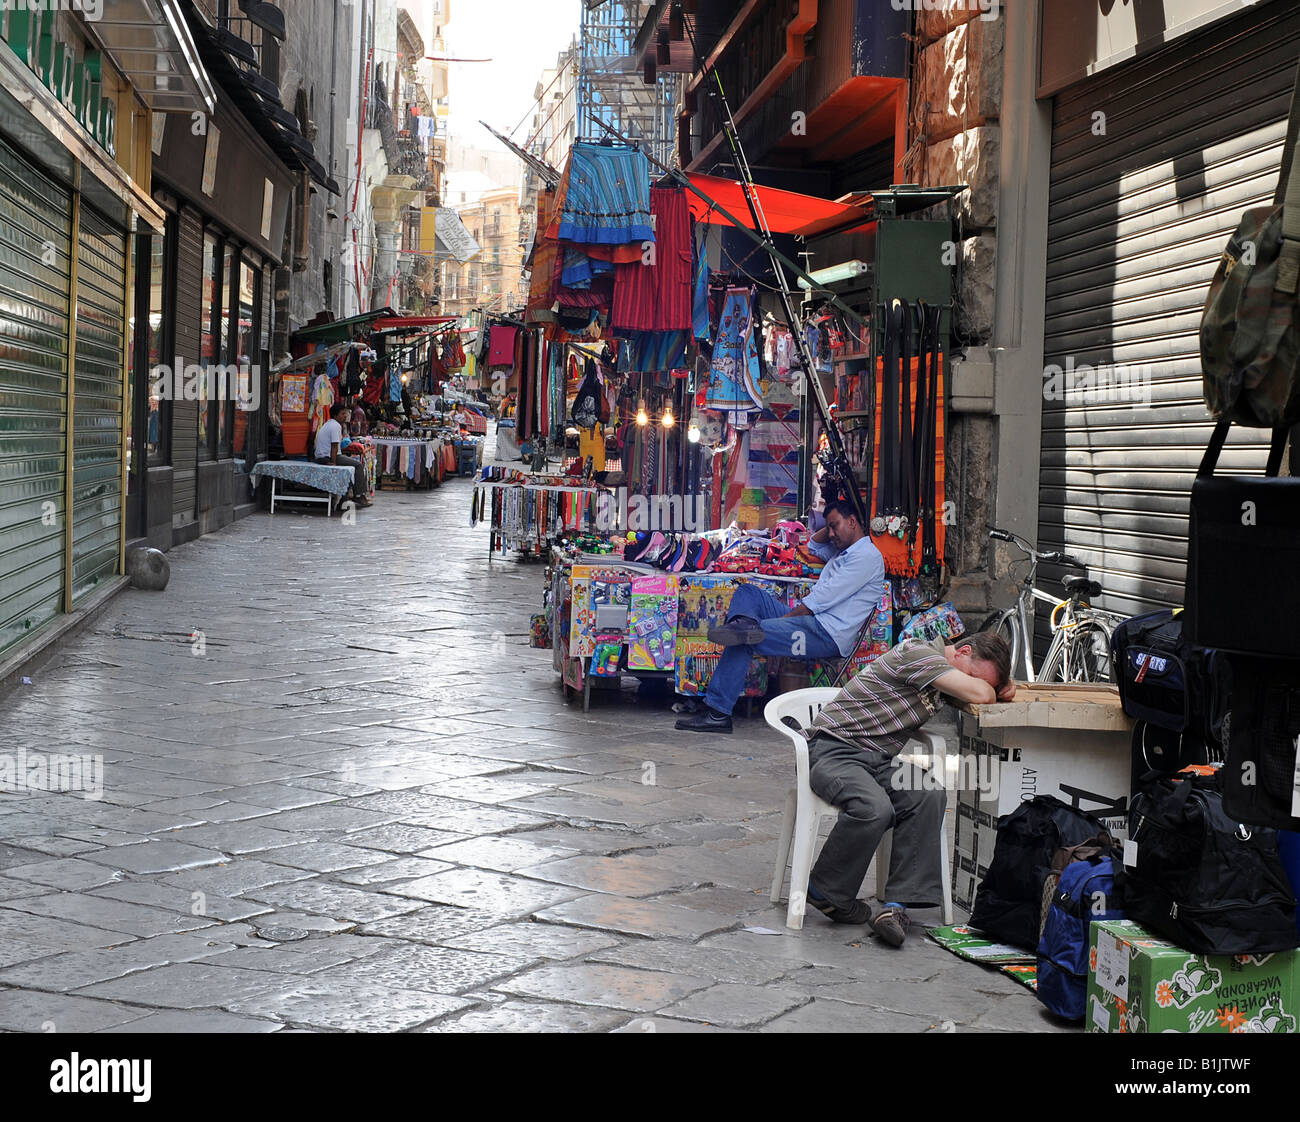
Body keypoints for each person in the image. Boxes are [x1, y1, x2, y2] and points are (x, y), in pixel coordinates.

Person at [803, 631, 1015, 945]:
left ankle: (896, 907)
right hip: (834, 751)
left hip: (877, 760)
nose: (974, 682)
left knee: (928, 793)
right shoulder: (917, 654)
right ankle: (827, 891)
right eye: (972, 675)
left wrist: (998, 686)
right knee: (874, 808)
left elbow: (987, 692)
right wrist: (991, 689)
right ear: (963, 651)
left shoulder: (944, 676)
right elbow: (983, 695)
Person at [676, 499, 885, 734]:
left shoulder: (865, 557)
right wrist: (830, 528)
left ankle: (718, 713)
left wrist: (777, 624)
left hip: (825, 635)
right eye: (830, 528)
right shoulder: (845, 552)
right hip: (811, 624)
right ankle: (742, 625)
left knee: (744, 637)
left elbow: (815, 604)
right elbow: (813, 548)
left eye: (835, 526)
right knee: (748, 593)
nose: (832, 533)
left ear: (853, 522)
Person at [315, 402, 370, 508]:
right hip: (328, 457)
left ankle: (344, 501)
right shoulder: (335, 426)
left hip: (323, 456)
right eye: (342, 414)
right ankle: (359, 495)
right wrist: (334, 463)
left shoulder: (328, 424)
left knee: (350, 469)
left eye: (345, 413)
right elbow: (334, 446)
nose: (345, 416)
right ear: (335, 416)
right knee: (358, 465)